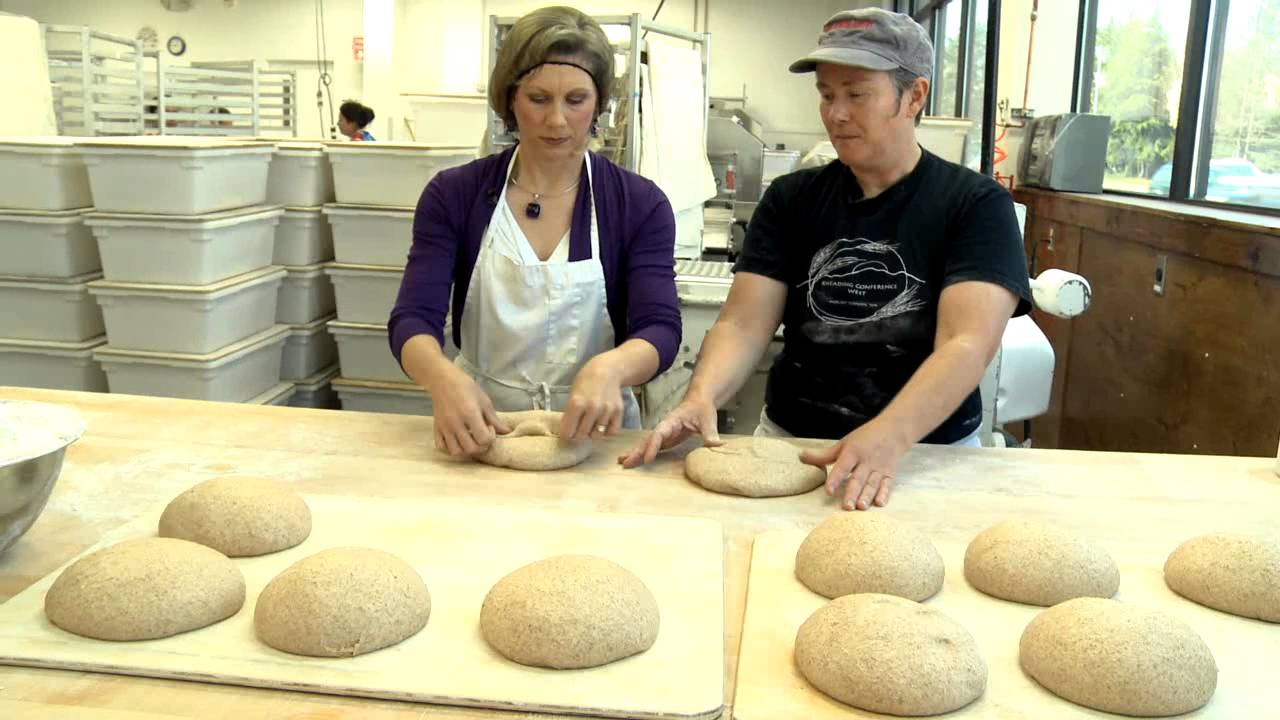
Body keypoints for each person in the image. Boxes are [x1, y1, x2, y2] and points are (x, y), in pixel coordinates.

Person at [620, 8, 1032, 511]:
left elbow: (966, 343)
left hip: (924, 451)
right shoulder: (792, 200)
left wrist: (889, 435)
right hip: (791, 447)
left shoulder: (974, 204)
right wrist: (702, 394)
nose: (836, 113)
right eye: (827, 95)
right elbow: (744, 326)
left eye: (857, 94)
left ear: (915, 96)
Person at [388, 6, 681, 457]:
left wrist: (613, 368)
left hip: (599, 437)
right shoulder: (455, 195)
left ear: (600, 103)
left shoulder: (638, 204)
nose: (557, 120)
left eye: (576, 100)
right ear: (510, 100)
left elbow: (659, 327)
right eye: (538, 98)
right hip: (480, 427)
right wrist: (443, 380)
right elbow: (411, 319)